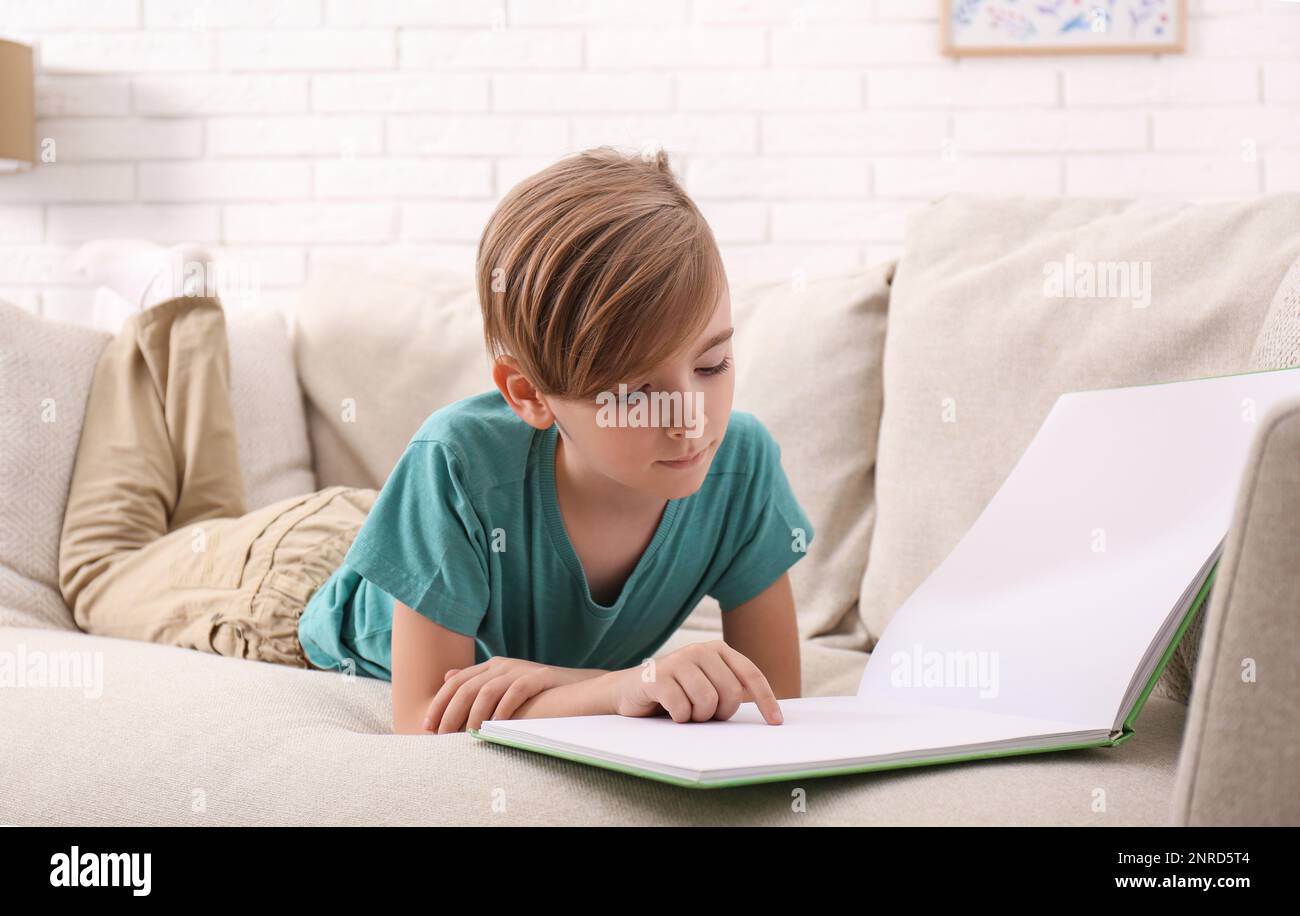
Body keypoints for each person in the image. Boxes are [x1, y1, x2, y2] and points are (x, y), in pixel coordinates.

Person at [58, 146, 816, 736]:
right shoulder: (455, 458)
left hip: (416, 555)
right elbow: (424, 717)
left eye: (713, 362)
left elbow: (776, 706)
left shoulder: (739, 463)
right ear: (528, 395)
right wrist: (615, 689)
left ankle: (185, 312)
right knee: (101, 571)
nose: (692, 420)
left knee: (198, 526)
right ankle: (171, 310)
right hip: (291, 584)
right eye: (636, 395)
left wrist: (555, 683)